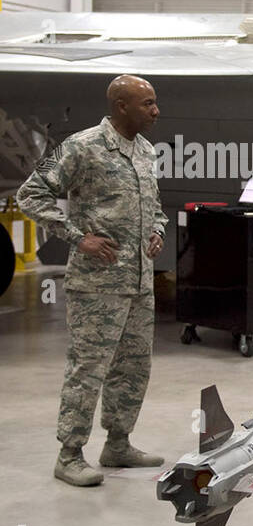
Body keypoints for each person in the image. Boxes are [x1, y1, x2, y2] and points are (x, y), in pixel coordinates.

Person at [17, 75, 167, 487]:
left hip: (139, 283)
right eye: (147, 103)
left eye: (155, 103)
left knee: (133, 368)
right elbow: (30, 195)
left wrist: (157, 229)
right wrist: (77, 237)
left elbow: (154, 205)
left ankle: (118, 443)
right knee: (89, 369)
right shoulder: (80, 146)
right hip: (97, 286)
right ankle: (69, 455)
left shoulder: (145, 150)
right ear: (121, 105)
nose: (155, 111)